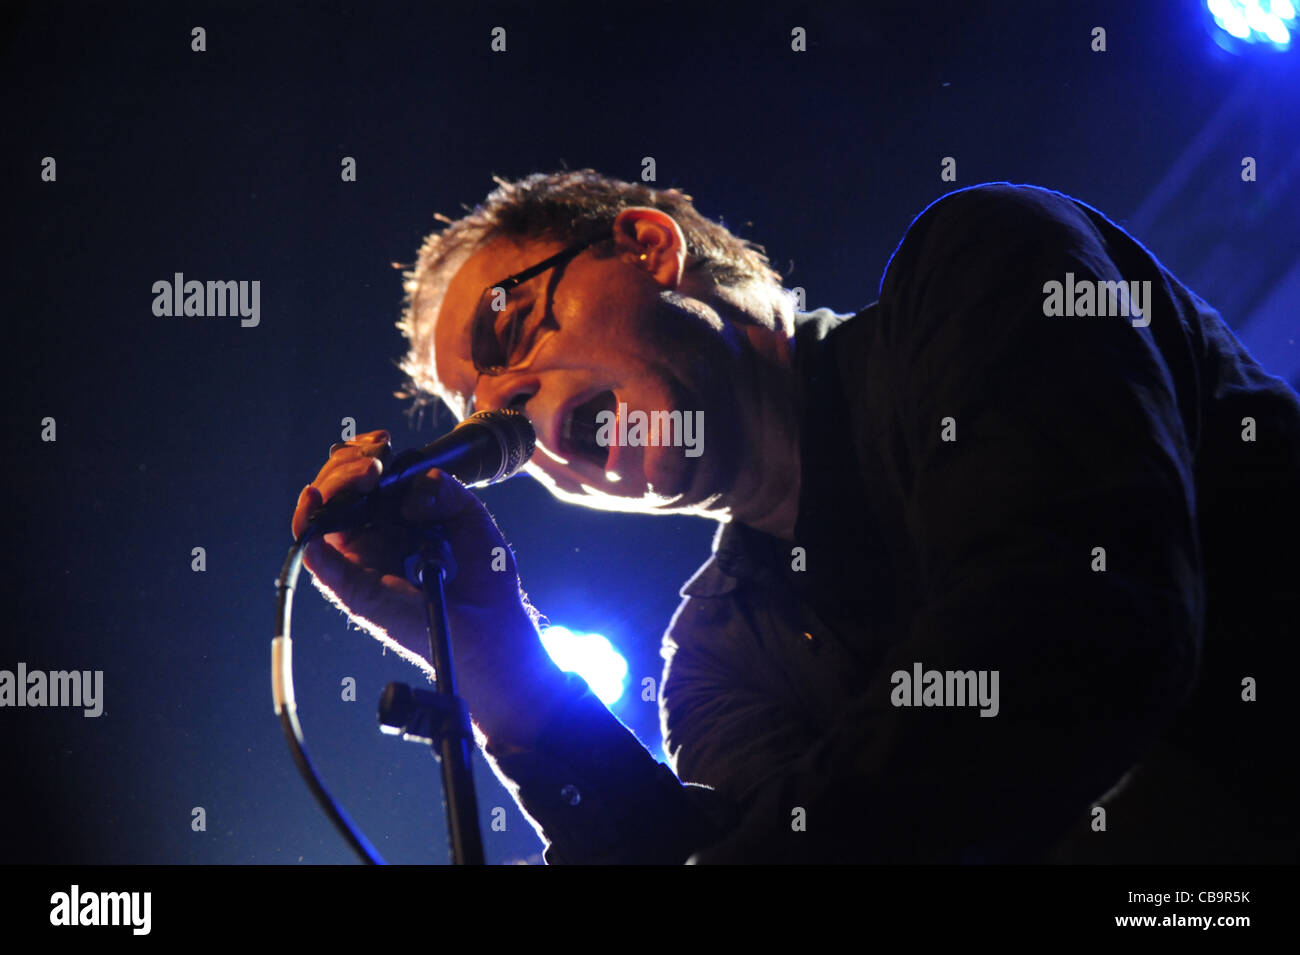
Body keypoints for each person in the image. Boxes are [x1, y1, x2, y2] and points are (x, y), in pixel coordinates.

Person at [291, 170, 1300, 863]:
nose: (511, 412)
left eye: (507, 328)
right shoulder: (713, 660)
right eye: (484, 419)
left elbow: (1070, 629)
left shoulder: (979, 265)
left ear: (645, 245)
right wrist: (495, 659)